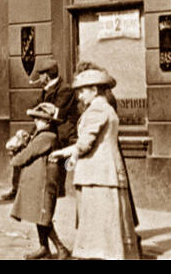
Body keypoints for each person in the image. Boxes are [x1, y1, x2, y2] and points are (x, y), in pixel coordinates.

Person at [49, 66, 140, 259]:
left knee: (98, 222)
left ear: (95, 89)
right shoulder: (106, 108)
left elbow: (84, 144)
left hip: (97, 174)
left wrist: (61, 153)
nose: (80, 97)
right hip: (105, 173)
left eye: (82, 91)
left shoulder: (97, 109)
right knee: (109, 222)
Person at [3, 57, 77, 200]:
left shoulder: (65, 89)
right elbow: (37, 110)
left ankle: (55, 190)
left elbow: (55, 114)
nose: (40, 78)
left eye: (41, 74)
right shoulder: (47, 89)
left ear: (47, 75)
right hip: (47, 129)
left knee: (32, 150)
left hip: (61, 134)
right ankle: (16, 189)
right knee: (21, 145)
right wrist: (27, 136)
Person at [9, 101, 70, 259]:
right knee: (39, 214)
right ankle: (44, 248)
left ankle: (61, 248)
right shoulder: (43, 136)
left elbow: (28, 154)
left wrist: (14, 159)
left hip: (43, 182)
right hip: (38, 181)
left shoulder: (46, 137)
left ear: (48, 122)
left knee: (43, 216)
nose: (35, 121)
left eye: (39, 119)